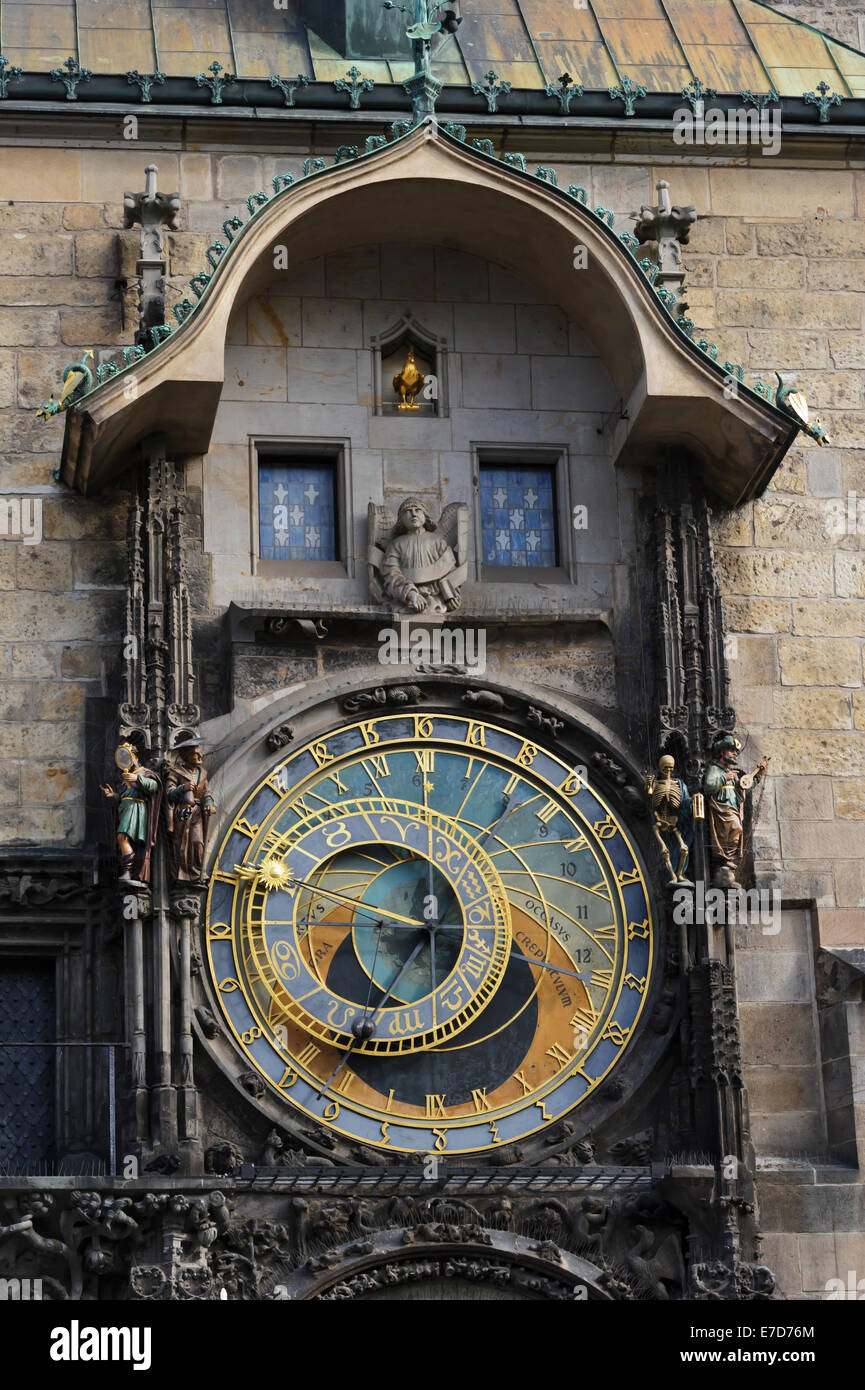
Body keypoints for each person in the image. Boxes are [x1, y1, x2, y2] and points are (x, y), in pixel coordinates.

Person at [703, 734, 769, 888]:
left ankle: (728, 863)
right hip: (721, 811)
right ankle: (722, 865)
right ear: (722, 752)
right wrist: (724, 778)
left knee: (736, 830)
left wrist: (758, 775)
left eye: (736, 752)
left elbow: (745, 786)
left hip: (733, 810)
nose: (734, 754)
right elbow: (708, 786)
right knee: (732, 830)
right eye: (731, 751)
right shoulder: (715, 770)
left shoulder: (734, 774)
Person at [380, 498, 461, 614]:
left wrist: (451, 595)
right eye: (408, 511)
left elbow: (449, 570)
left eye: (418, 510)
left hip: (436, 600)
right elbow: (391, 574)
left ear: (424, 515)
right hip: (406, 601)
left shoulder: (437, 542)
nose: (413, 514)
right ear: (401, 519)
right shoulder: (396, 544)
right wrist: (410, 594)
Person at [100, 745, 161, 885]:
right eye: (122, 758)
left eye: (128, 757)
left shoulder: (143, 772)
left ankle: (127, 870)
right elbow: (124, 796)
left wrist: (137, 779)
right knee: (124, 839)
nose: (126, 760)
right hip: (125, 809)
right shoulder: (125, 778)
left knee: (122, 837)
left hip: (136, 809)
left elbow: (154, 785)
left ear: (136, 757)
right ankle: (129, 871)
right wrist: (114, 795)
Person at [165, 738, 216, 884]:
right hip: (183, 812)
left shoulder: (203, 773)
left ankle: (196, 872)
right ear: (186, 757)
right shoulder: (176, 772)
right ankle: (182, 874)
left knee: (197, 842)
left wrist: (209, 804)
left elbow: (207, 793)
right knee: (182, 844)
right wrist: (183, 788)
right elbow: (169, 792)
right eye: (195, 754)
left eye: (200, 753)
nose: (200, 757)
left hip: (198, 813)